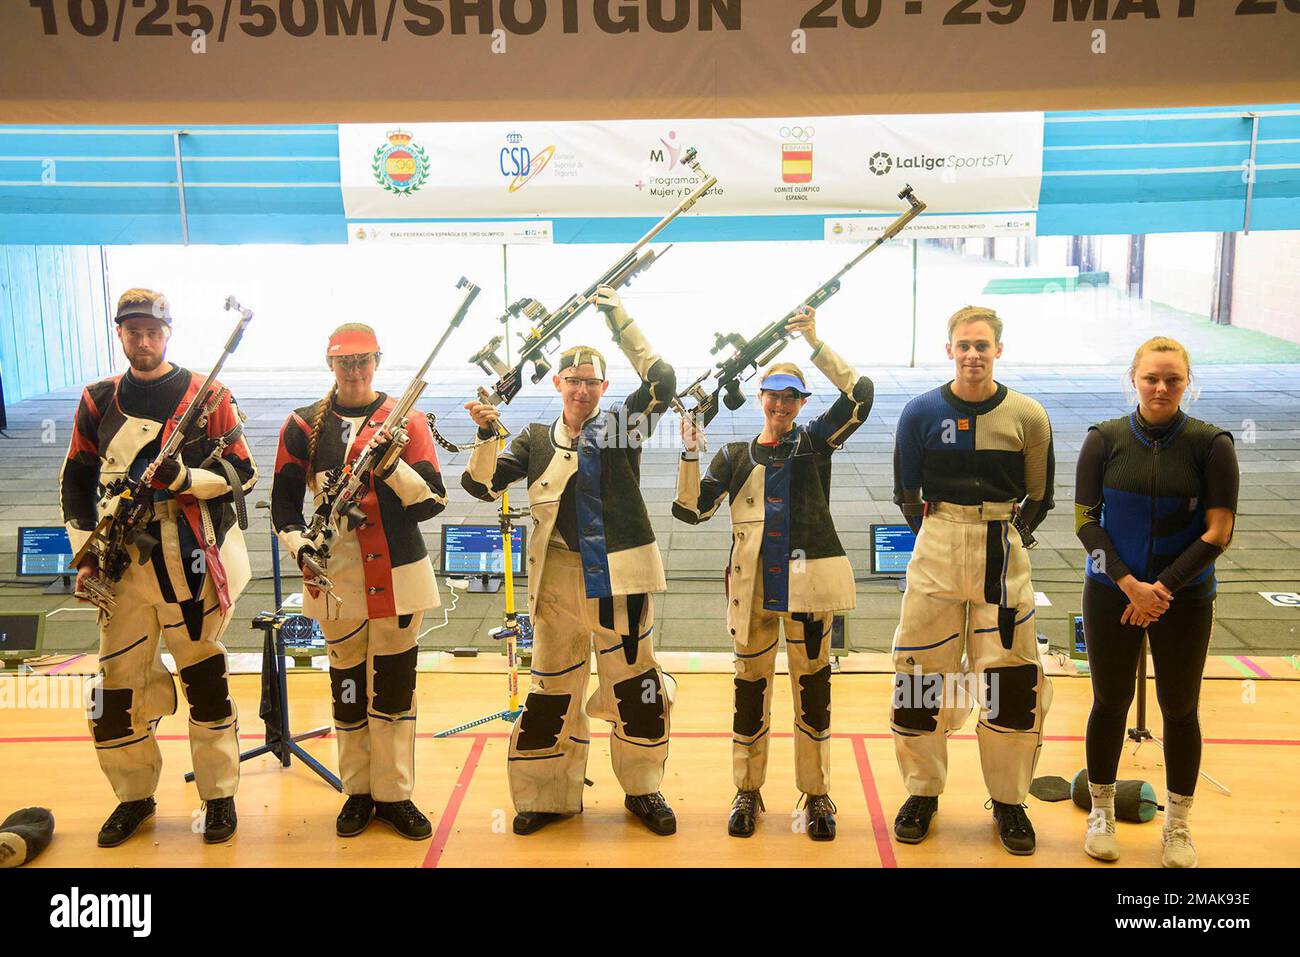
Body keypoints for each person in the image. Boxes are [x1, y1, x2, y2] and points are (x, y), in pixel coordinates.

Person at [462, 286, 678, 837]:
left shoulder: (621, 428)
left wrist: (616, 314)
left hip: (620, 578)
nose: (581, 390)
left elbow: (663, 383)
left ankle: (644, 788)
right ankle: (547, 796)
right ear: (557, 384)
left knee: (635, 688)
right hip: (556, 579)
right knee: (552, 692)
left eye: (591, 382)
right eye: (572, 380)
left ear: (604, 388)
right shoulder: (534, 438)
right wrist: (487, 436)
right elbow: (481, 486)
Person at [60, 288, 257, 848]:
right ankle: (133, 797)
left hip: (189, 556)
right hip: (119, 562)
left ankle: (218, 797)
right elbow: (76, 477)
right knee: (113, 691)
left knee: (206, 681)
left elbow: (244, 473)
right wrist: (86, 552)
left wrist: (186, 481)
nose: (143, 340)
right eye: (132, 331)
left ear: (168, 333)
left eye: (152, 330)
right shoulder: (98, 399)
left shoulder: (209, 393)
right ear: (120, 333)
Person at [673, 306, 872, 841]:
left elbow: (861, 398)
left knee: (813, 691)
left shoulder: (814, 442)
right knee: (749, 689)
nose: (781, 404)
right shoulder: (735, 455)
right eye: (773, 395)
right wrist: (690, 452)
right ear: (760, 399)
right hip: (753, 592)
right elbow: (691, 511)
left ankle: (817, 792)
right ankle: (747, 789)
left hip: (808, 589)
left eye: (791, 396)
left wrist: (814, 342)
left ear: (802, 403)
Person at [889, 305, 1054, 855]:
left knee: (1010, 680)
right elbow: (905, 492)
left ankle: (1008, 800)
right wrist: (938, 532)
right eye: (963, 345)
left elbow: (1042, 494)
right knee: (918, 674)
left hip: (1000, 548)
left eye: (982, 345)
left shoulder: (1028, 415)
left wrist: (1005, 532)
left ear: (998, 350)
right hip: (935, 542)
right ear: (949, 350)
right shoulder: (919, 411)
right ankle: (923, 791)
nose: (973, 355)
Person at [272, 323, 447, 840]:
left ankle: (396, 795)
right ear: (331, 365)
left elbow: (432, 503)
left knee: (394, 690)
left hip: (399, 575)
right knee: (347, 689)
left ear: (377, 360)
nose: (354, 370)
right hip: (334, 577)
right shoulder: (302, 424)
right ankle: (358, 792)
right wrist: (299, 546)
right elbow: (283, 506)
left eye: (363, 360)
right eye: (345, 362)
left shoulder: (406, 420)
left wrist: (393, 467)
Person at [1075, 336, 1237, 868]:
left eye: (1173, 378)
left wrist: (1161, 589)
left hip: (1183, 600)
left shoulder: (1212, 445)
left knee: (1180, 710)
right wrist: (1128, 584)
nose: (1162, 387)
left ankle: (1179, 825)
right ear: (1134, 379)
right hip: (1111, 595)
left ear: (1188, 381)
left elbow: (1219, 531)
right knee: (1110, 702)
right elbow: (1084, 522)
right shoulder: (1105, 440)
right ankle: (1101, 811)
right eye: (1152, 378)